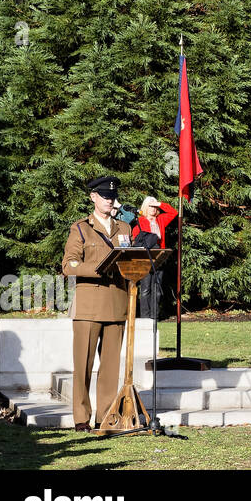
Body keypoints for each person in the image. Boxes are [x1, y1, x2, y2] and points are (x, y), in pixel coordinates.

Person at [62, 175, 133, 432]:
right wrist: (100, 269)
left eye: (112, 196)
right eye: (104, 196)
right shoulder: (81, 228)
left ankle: (106, 415)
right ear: (93, 197)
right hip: (89, 306)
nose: (109, 200)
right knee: (83, 365)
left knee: (111, 367)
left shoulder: (124, 229)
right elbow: (69, 265)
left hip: (116, 303)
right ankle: (81, 417)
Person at [132, 196, 178, 320]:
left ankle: (154, 317)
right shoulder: (140, 221)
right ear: (145, 207)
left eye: (154, 207)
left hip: (159, 257)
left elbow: (174, 212)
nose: (153, 209)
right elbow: (135, 237)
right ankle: (145, 317)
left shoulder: (161, 219)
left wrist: (159, 203)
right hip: (145, 258)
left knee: (157, 289)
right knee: (146, 289)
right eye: (150, 206)